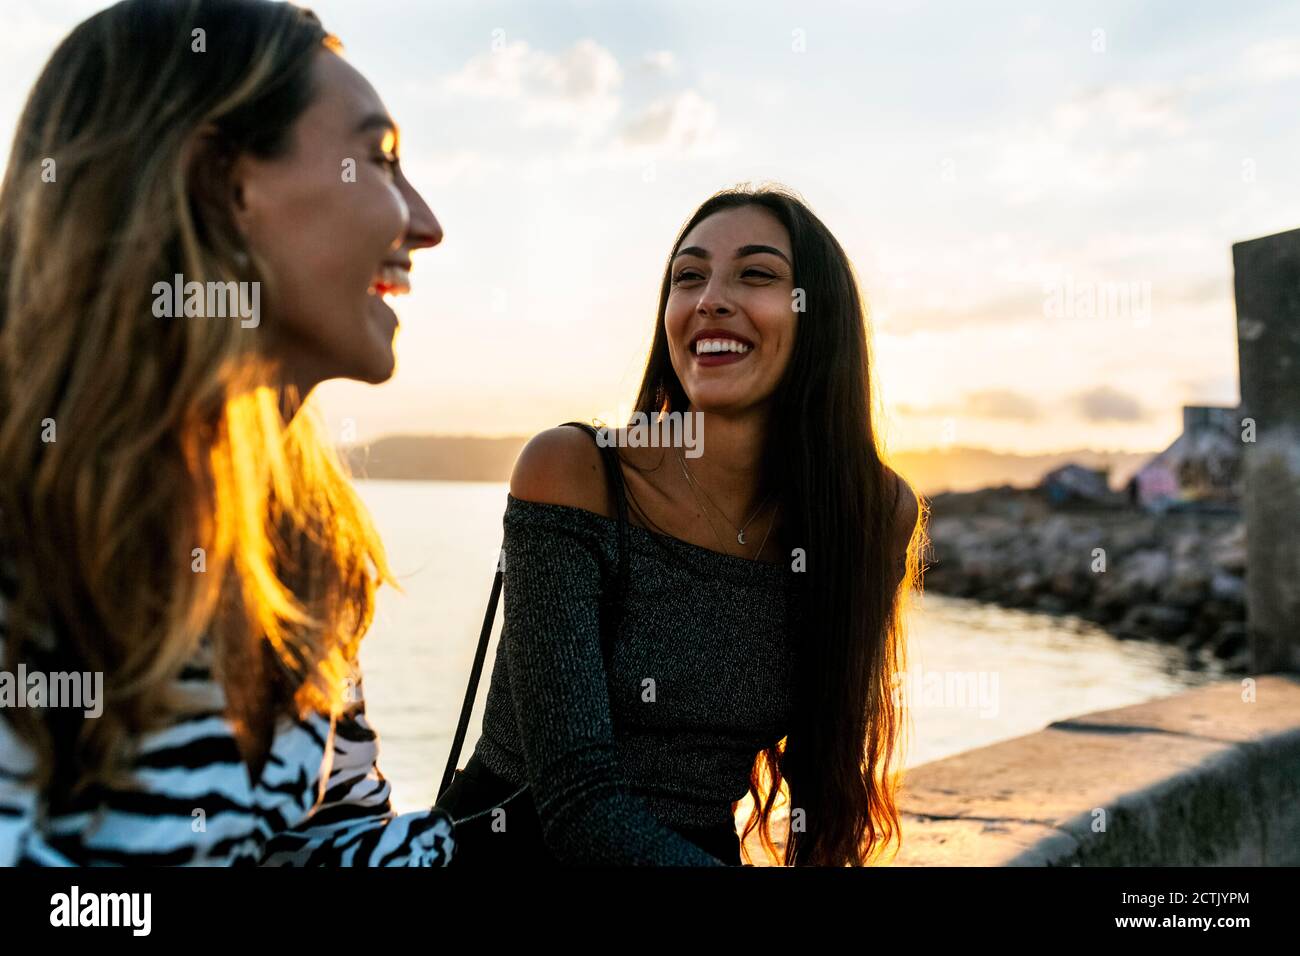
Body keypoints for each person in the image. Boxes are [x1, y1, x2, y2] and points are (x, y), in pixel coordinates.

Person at [0, 0, 450, 865]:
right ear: (223, 185)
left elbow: (326, 840)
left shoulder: (304, 543)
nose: (424, 224)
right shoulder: (26, 527)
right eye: (379, 161)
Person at [438, 184, 924, 866]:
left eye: (755, 275)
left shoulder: (870, 513)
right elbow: (579, 804)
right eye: (688, 277)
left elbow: (828, 771)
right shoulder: (575, 472)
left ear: (819, 316)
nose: (710, 299)